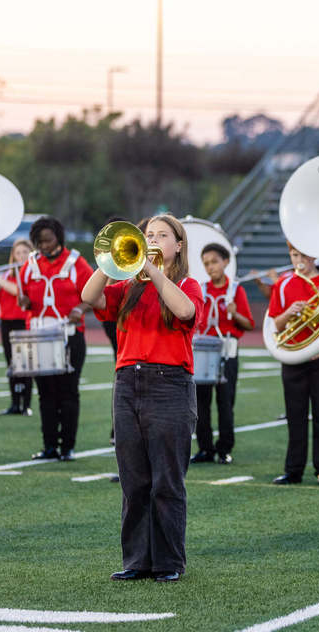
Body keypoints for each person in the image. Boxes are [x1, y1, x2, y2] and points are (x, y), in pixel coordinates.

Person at [82, 214, 202, 583]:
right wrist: (110, 262)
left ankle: (168, 562)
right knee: (133, 480)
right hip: (127, 381)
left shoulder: (187, 283)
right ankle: (137, 560)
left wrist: (154, 270)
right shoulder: (127, 287)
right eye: (147, 234)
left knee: (166, 480)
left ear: (178, 245)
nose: (152, 239)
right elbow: (89, 296)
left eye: (162, 235)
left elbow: (185, 311)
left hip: (169, 383)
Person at [18, 217, 93, 462]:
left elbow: (94, 295)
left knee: (69, 392)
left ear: (58, 238)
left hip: (69, 336)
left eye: (48, 241)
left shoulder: (76, 263)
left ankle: (67, 446)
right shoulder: (29, 265)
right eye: (39, 242)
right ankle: (49, 445)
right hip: (39, 335)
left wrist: (80, 309)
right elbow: (24, 298)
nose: (45, 246)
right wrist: (24, 302)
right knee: (46, 394)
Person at [265, 245, 319, 486]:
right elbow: (276, 325)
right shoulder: (284, 284)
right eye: (295, 255)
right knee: (295, 415)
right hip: (294, 354)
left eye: (305, 255)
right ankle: (293, 469)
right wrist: (289, 313)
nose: (300, 261)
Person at [190, 243, 253, 465]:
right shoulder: (202, 289)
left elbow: (249, 324)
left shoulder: (236, 290)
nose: (210, 267)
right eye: (206, 263)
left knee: (225, 402)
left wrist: (235, 313)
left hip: (227, 353)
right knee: (201, 402)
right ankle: (205, 448)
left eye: (214, 262)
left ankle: (224, 448)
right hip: (204, 353)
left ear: (226, 262)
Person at [0, 239, 34, 417]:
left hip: (24, 323)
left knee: (25, 365)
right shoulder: (6, 276)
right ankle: (14, 403)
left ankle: (25, 404)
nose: (21, 256)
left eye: (25, 253)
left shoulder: (32, 275)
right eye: (18, 253)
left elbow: (18, 291)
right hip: (7, 323)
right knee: (12, 364)